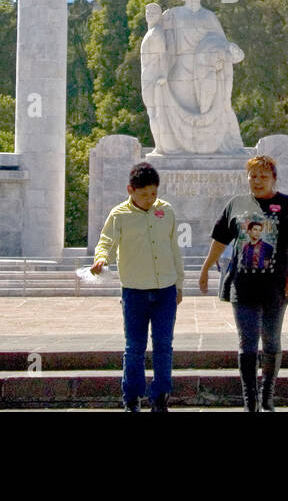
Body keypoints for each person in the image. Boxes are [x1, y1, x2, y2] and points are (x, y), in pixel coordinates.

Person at [198, 155, 288, 411]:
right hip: (243, 285)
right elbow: (220, 240)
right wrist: (205, 268)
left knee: (271, 340)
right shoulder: (236, 204)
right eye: (253, 176)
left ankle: (267, 396)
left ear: (274, 179)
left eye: (263, 176)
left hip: (276, 286)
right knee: (246, 342)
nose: (257, 181)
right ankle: (250, 401)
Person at [92, 162, 184, 412]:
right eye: (143, 194)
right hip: (134, 291)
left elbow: (173, 248)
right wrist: (101, 259)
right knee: (134, 347)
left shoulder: (166, 211)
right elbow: (106, 242)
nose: (150, 199)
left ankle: (161, 396)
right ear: (130, 190)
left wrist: (179, 283)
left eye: (153, 193)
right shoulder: (119, 214)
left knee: (164, 345)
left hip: (165, 288)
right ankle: (132, 398)